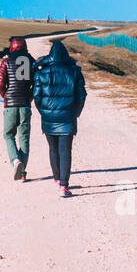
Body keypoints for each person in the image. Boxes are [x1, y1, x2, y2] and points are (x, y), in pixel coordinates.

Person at [32, 38, 87, 198]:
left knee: (53, 149)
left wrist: (44, 111)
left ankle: (56, 179)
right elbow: (81, 96)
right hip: (68, 117)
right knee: (65, 150)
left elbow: (36, 97)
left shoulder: (41, 73)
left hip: (48, 117)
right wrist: (76, 112)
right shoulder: (75, 72)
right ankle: (64, 185)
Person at [0, 37, 36, 181]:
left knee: (8, 135)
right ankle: (22, 173)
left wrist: (5, 95)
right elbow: (36, 84)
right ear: (25, 47)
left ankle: (15, 161)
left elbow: (0, 83)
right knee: (24, 138)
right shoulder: (31, 61)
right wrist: (29, 97)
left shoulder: (6, 62)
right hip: (25, 104)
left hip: (10, 105)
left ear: (12, 47)